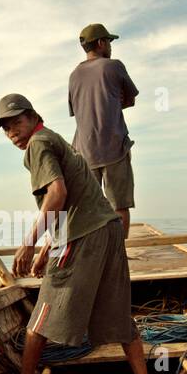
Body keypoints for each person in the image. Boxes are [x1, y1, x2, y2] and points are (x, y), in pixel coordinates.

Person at [0, 93, 153, 374]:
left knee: (41, 314)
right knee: (119, 316)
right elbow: (74, 202)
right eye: (6, 128)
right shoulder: (56, 140)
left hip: (84, 237)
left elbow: (57, 194)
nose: (13, 133)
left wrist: (29, 244)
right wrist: (47, 250)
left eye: (17, 123)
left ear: (33, 117)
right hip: (109, 230)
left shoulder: (38, 145)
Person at [68, 23, 140, 238]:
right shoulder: (113, 66)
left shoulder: (74, 75)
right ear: (100, 43)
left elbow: (78, 110)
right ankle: (119, 253)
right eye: (108, 41)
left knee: (87, 207)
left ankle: (90, 251)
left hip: (83, 151)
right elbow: (130, 99)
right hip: (113, 147)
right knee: (119, 205)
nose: (110, 46)